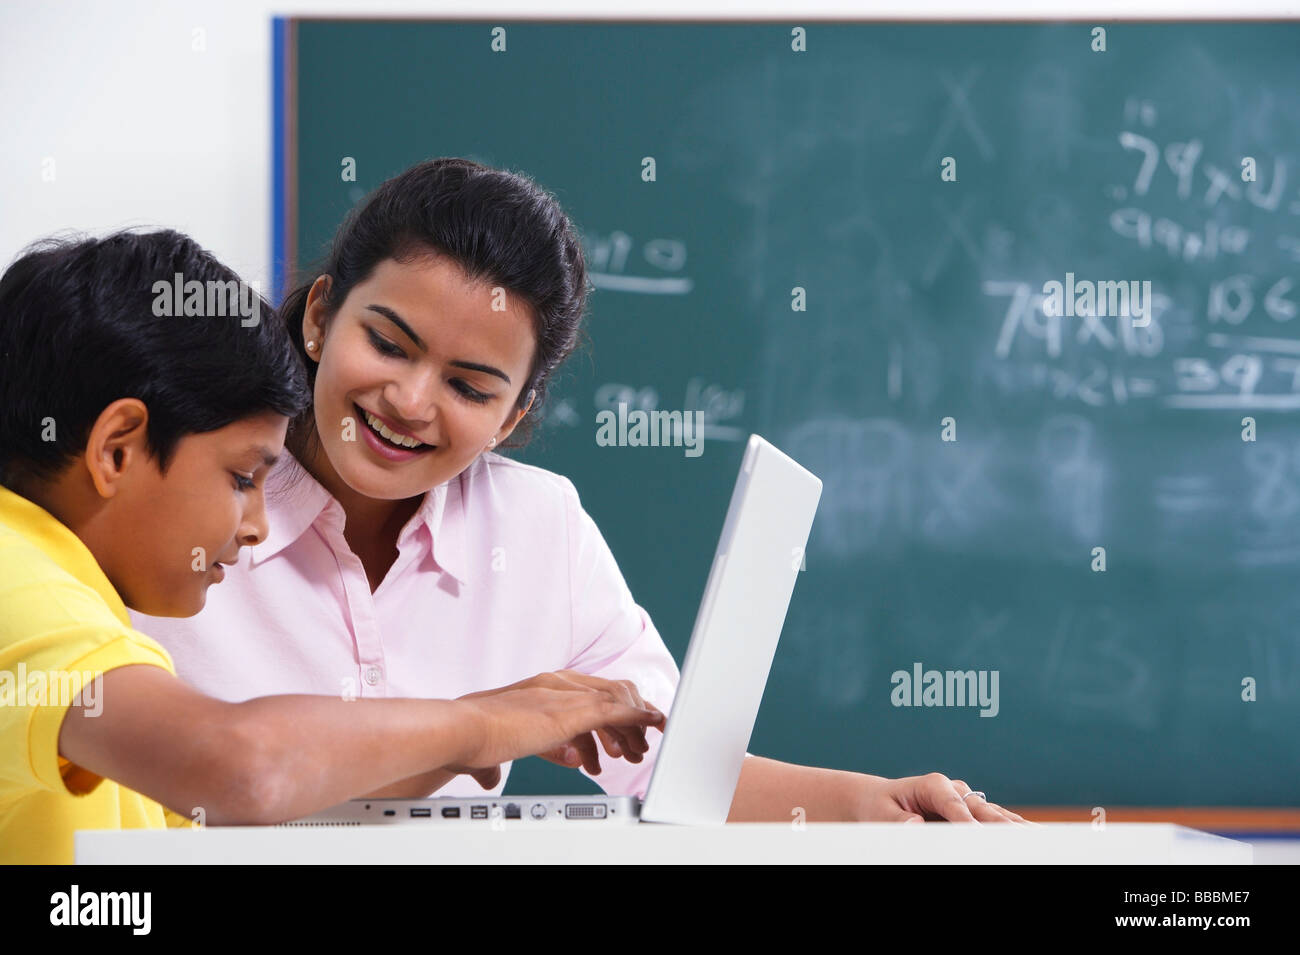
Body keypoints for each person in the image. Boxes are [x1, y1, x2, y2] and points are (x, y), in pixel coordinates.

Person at [131, 159, 1027, 823]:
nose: (409, 402)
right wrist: (479, 724)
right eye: (391, 343)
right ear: (322, 315)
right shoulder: (182, 493)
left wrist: (876, 803)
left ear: (515, 414)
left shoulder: (537, 524)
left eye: (471, 387)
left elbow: (672, 763)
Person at [0, 229, 664, 864]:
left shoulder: (73, 597)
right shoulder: (17, 580)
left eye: (468, 385)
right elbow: (241, 769)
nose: (257, 524)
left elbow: (247, 822)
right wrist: (478, 725)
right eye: (241, 477)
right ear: (117, 449)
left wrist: (450, 750)